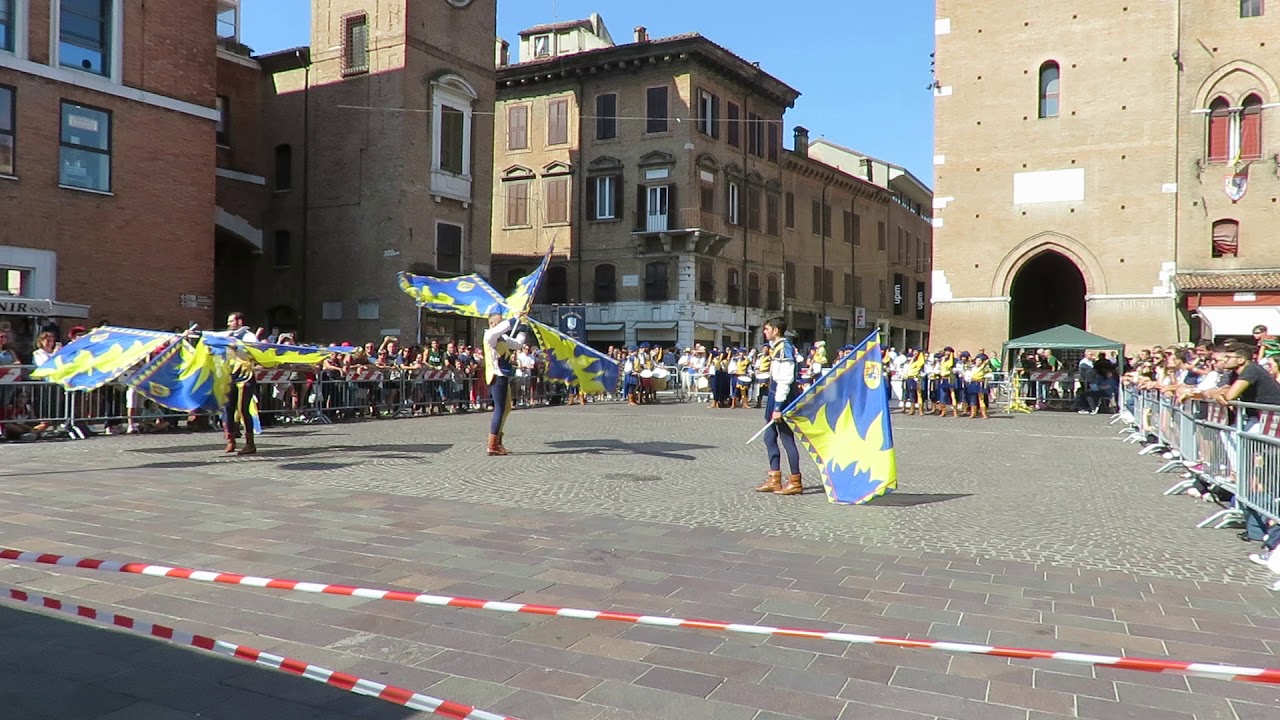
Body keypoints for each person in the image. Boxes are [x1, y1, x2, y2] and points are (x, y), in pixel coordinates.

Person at [755, 316, 804, 496]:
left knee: (786, 438)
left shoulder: (784, 349)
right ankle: (774, 479)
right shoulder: (777, 348)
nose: (764, 332)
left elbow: (784, 380)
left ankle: (795, 481)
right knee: (769, 437)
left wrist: (777, 408)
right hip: (775, 397)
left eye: (767, 329)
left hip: (782, 400)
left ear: (776, 331)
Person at [213, 312, 259, 455]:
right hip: (231, 374)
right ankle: (230, 440)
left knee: (243, 409)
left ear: (239, 321)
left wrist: (237, 346)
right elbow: (211, 337)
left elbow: (255, 350)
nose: (229, 324)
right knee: (228, 407)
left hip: (246, 375)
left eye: (231, 321)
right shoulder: (228, 335)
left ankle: (250, 443)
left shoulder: (248, 336)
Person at [483, 312, 526, 456]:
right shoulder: (489, 335)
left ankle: (498, 441)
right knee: (500, 409)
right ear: (492, 324)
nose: (503, 325)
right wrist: (515, 317)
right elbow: (504, 327)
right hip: (496, 375)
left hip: (504, 375)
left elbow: (518, 343)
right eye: (499, 322)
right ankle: (492, 444)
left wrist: (523, 327)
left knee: (507, 408)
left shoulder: (502, 337)